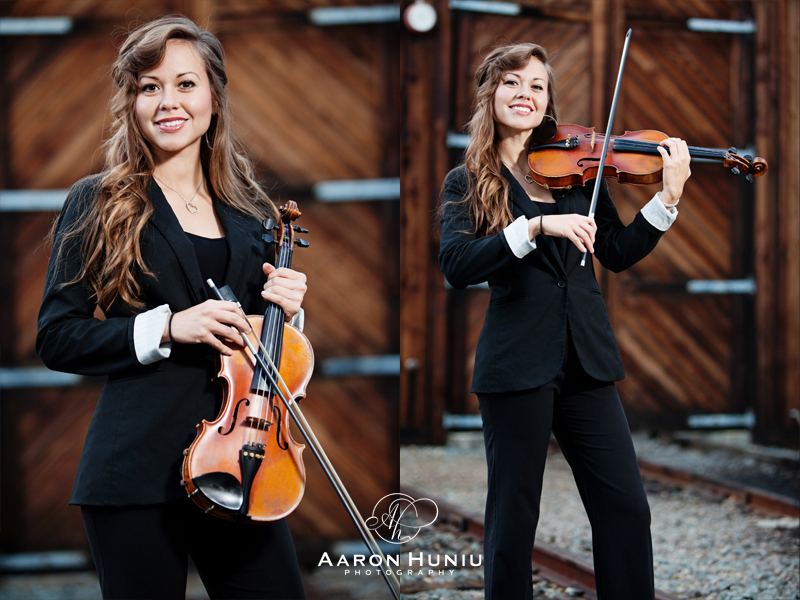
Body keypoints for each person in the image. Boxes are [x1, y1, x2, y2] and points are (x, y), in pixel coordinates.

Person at [36, 16, 308, 600]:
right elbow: (58, 337)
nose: (168, 101)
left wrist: (289, 311)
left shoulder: (251, 213)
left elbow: (264, 351)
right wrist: (168, 327)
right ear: (131, 102)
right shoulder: (100, 201)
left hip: (245, 464)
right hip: (135, 471)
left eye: (186, 84)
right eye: (149, 86)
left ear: (213, 96)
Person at [438, 43, 691, 600]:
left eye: (536, 86)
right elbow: (456, 265)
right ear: (490, 93)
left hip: (586, 357)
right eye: (512, 83)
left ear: (549, 99)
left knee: (625, 506)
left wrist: (666, 199)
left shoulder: (578, 175)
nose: (524, 94)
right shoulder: (468, 181)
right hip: (516, 361)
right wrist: (533, 230)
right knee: (513, 518)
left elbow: (619, 251)